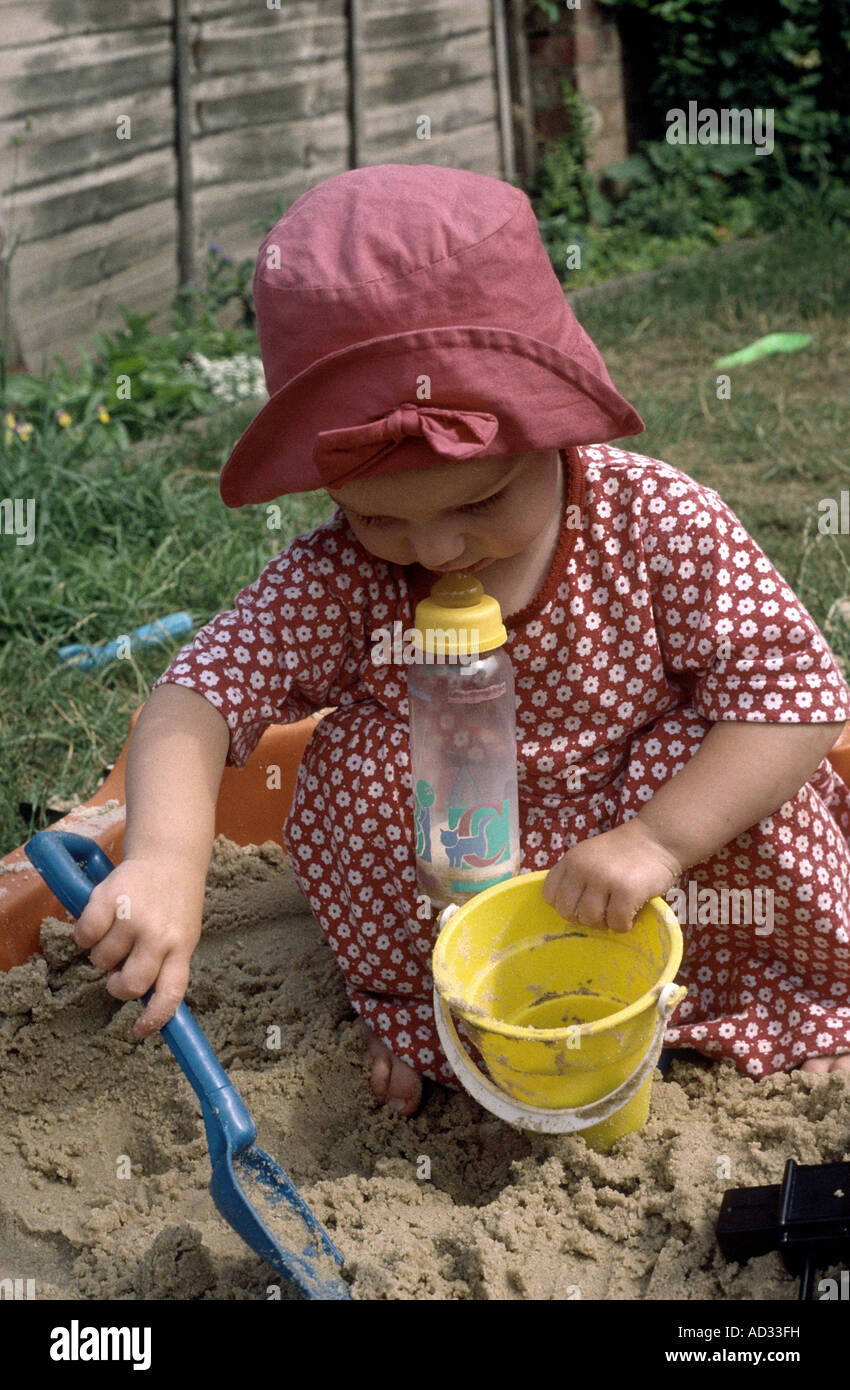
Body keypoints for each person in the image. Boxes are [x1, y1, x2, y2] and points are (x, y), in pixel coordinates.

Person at [74, 164, 850, 1118]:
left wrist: (658, 839)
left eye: (480, 501)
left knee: (733, 766)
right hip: (461, 863)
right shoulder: (342, 579)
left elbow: (799, 702)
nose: (436, 549)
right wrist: (162, 860)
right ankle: (435, 1016)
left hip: (648, 851)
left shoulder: (656, 522)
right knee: (353, 765)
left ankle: (782, 1000)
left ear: (554, 430)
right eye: (380, 519)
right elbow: (197, 693)